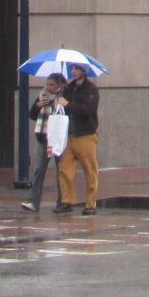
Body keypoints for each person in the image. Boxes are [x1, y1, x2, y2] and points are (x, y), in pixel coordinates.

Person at [57, 63, 101, 216]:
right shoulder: (69, 88)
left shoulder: (91, 90)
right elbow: (63, 107)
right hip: (71, 135)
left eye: (77, 69)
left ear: (83, 71)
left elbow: (86, 111)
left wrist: (68, 105)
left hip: (86, 135)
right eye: (72, 69)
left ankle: (90, 204)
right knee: (64, 168)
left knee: (90, 170)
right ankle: (67, 201)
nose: (73, 72)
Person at [24, 74, 65, 213]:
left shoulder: (64, 96)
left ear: (58, 85)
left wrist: (57, 105)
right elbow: (32, 115)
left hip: (58, 138)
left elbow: (66, 115)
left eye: (52, 84)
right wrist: (38, 105)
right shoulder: (42, 95)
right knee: (39, 169)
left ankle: (62, 202)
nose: (49, 87)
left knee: (61, 171)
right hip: (44, 136)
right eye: (47, 84)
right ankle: (34, 201)